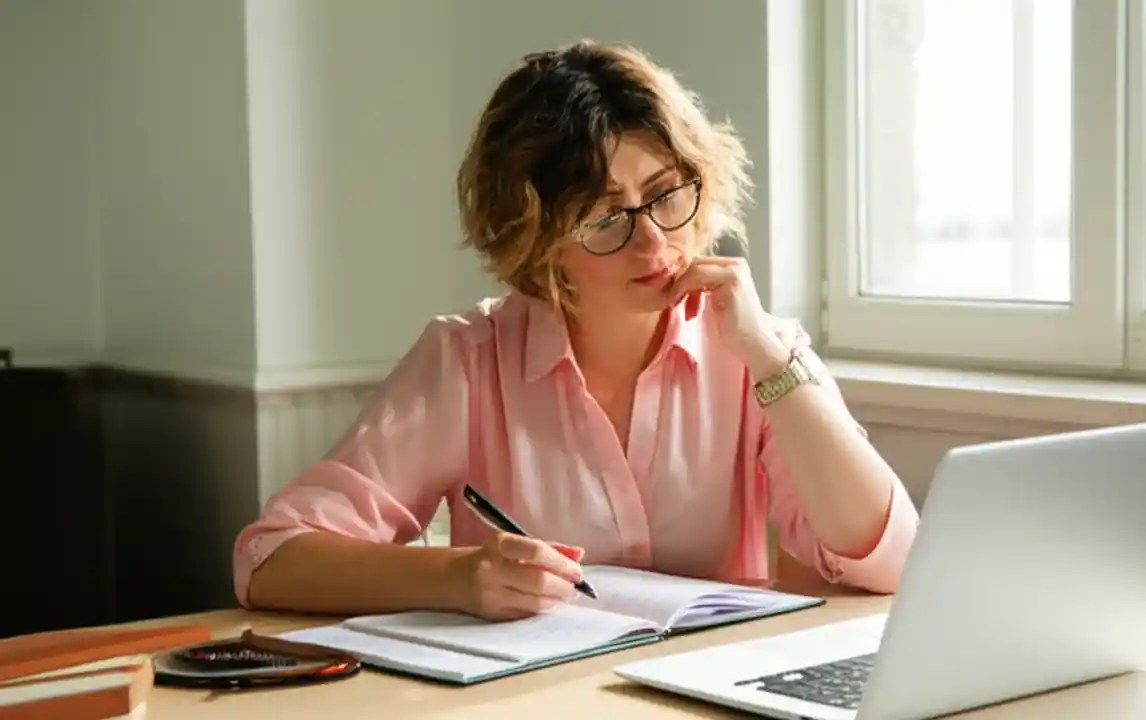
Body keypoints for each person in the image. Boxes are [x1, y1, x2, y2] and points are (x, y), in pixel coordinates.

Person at [233, 40, 919, 621]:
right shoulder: (466, 361)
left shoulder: (760, 353)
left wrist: (769, 360)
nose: (652, 240)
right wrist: (455, 577)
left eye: (666, 193)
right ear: (537, 240)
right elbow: (270, 558)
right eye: (604, 216)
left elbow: (891, 561)